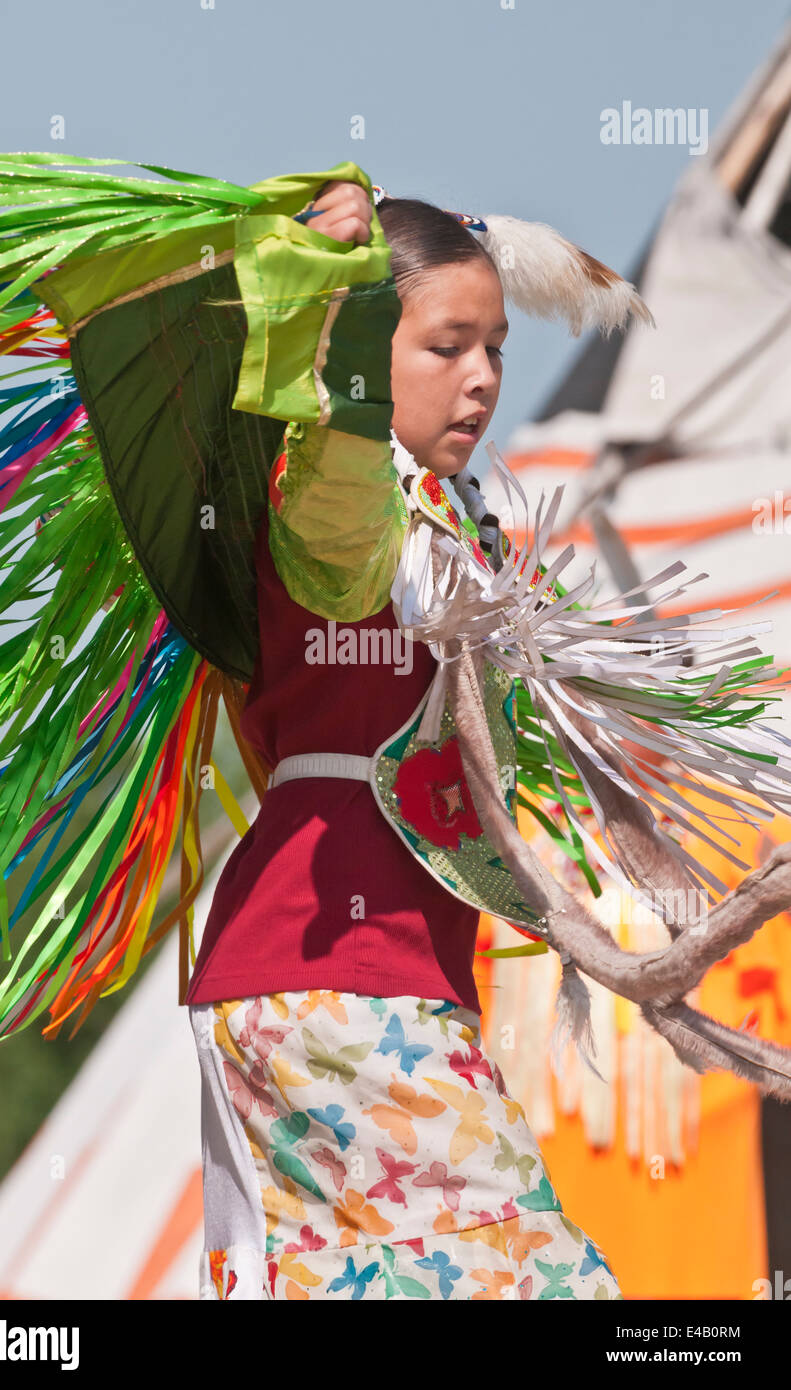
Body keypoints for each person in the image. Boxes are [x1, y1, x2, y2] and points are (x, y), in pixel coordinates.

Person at [185, 178, 624, 1302]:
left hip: (378, 976)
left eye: (494, 348)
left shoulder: (453, 536)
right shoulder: (338, 510)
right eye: (445, 344)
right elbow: (341, 461)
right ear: (373, 351)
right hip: (330, 978)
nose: (480, 376)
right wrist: (337, 318)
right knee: (547, 1287)